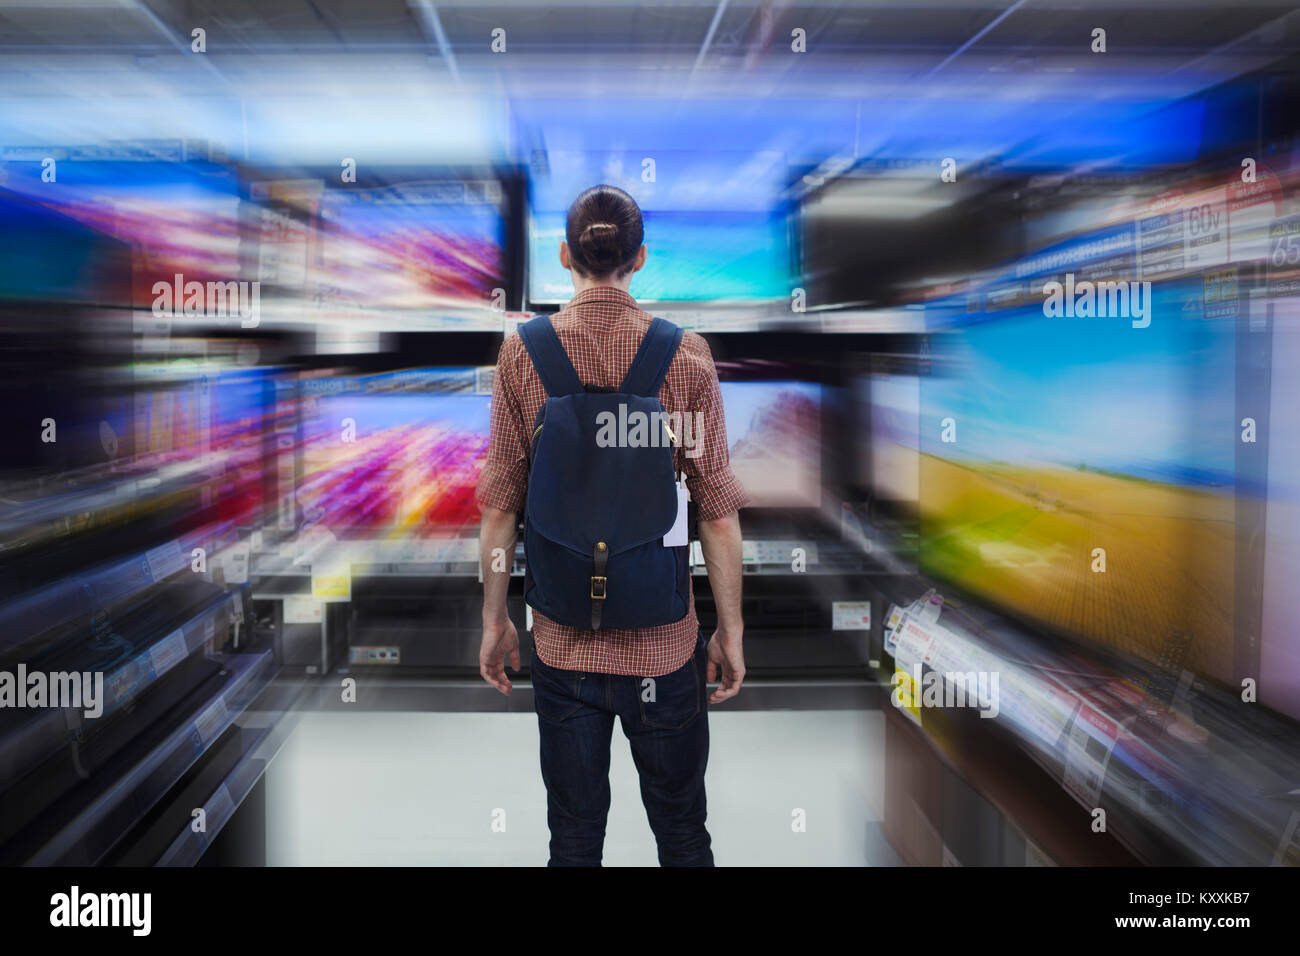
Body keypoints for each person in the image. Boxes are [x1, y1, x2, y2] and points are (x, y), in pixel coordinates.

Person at [475, 184, 747, 866]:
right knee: (683, 833)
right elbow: (716, 515)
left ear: (565, 254)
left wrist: (493, 620)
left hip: (563, 645)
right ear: (641, 258)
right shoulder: (687, 357)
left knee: (572, 839)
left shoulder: (522, 353)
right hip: (663, 643)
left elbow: (501, 507)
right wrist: (730, 631)